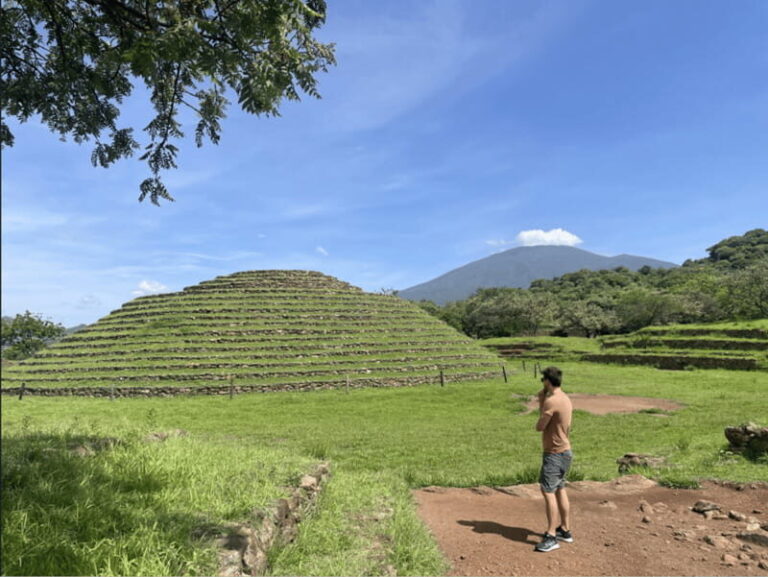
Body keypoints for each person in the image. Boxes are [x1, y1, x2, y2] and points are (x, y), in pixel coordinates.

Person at [533, 366, 573, 553]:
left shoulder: (552, 401)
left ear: (548, 381)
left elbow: (540, 426)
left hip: (554, 453)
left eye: (543, 380)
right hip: (565, 451)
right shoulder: (565, 398)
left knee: (548, 491)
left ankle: (551, 536)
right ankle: (565, 529)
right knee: (560, 488)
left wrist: (542, 401)